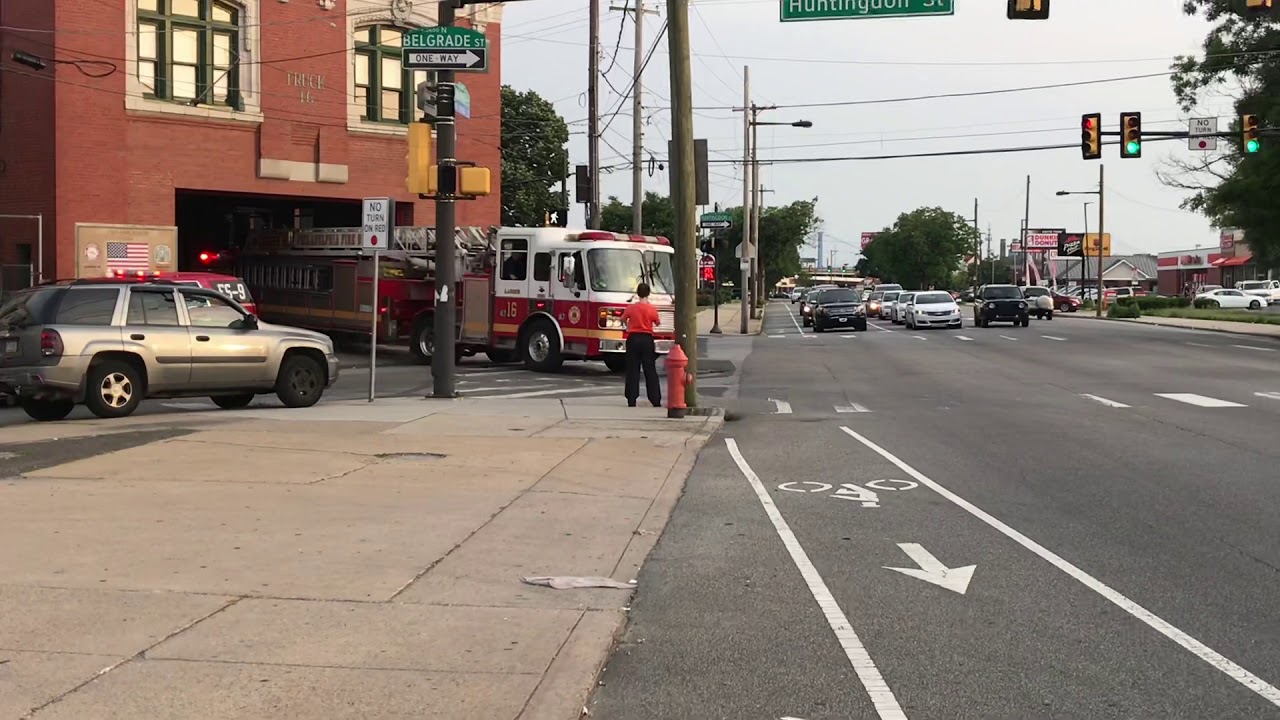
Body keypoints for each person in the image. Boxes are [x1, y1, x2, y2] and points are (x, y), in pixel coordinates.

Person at [620, 282, 662, 408]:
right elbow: (657, 322)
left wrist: (627, 326)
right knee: (650, 369)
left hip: (633, 338)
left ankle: (631, 398)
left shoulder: (631, 308)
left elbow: (622, 319)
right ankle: (655, 399)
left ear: (638, 293)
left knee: (633, 369)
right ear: (648, 294)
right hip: (647, 338)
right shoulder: (652, 309)